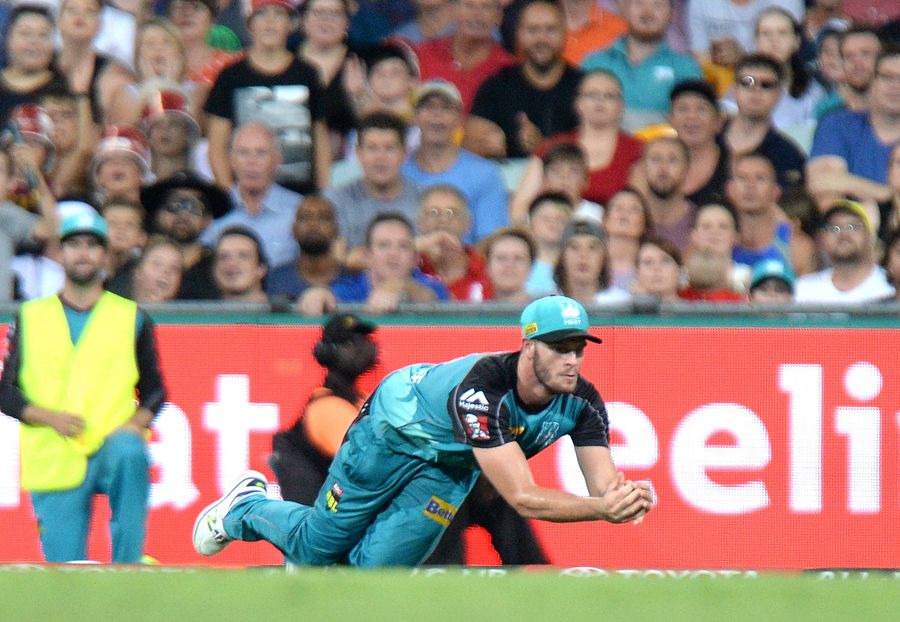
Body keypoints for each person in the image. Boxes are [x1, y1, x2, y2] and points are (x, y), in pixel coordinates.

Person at [192, 294, 656, 567]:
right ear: (529, 345)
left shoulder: (584, 403)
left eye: (579, 348)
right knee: (316, 549)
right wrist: (601, 509)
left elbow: (605, 487)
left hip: (449, 468)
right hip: (388, 436)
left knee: (375, 573)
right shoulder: (484, 389)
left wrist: (625, 497)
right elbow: (523, 497)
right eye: (559, 348)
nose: (572, 359)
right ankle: (246, 507)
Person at [0, 209, 167, 563]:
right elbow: (6, 392)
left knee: (130, 451)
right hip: (53, 453)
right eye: (74, 244)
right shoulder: (30, 316)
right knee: (66, 572)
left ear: (106, 256)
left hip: (110, 443)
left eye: (93, 245)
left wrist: (134, 425)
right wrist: (48, 417)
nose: (83, 253)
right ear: (60, 254)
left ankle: (129, 564)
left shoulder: (131, 316)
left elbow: (155, 389)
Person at [204, 0, 330, 195]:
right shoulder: (230, 76)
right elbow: (217, 147)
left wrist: (323, 194)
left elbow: (320, 139)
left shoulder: (307, 74)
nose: (270, 22)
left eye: (278, 14)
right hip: (246, 197)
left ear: (291, 24)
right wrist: (232, 196)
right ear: (249, 24)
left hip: (301, 196)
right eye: (262, 14)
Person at [270, 313, 379, 505]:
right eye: (351, 343)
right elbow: (366, 465)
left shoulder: (362, 400)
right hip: (327, 520)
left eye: (365, 340)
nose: (363, 347)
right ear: (327, 352)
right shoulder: (325, 407)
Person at [511, 70, 644, 224]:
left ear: (621, 105)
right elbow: (520, 209)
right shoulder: (552, 146)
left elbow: (639, 209)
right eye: (592, 95)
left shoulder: (637, 150)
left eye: (609, 96)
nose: (599, 102)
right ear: (577, 103)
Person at [464, 0, 582, 159]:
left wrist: (543, 148)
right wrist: (487, 145)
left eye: (551, 30)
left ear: (564, 32)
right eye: (532, 30)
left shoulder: (583, 87)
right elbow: (470, 141)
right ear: (518, 33)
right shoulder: (497, 86)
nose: (541, 39)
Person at [402, 80, 510, 244]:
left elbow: (490, 241)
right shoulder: (399, 172)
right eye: (428, 107)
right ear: (415, 116)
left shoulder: (485, 174)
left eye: (446, 108)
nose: (436, 115)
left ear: (460, 118)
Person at [581, 0, 702, 133]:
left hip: (661, 150)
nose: (647, 13)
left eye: (658, 5)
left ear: (671, 14)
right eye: (639, 3)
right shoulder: (595, 63)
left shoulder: (685, 68)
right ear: (625, 9)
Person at [807, 48, 900, 210]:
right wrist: (887, 194)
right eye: (887, 77)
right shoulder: (838, 124)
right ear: (872, 81)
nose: (895, 86)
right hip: (855, 225)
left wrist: (852, 185)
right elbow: (821, 180)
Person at [201, 123, 302, 270]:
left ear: (277, 160)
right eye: (243, 153)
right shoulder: (214, 210)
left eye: (261, 153)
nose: (251, 162)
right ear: (232, 161)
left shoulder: (298, 208)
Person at [325, 112, 421, 253]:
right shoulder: (334, 201)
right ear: (358, 153)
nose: (380, 158)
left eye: (389, 148)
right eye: (372, 148)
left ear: (405, 154)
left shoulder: (423, 200)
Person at [720, 54, 807, 193]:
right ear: (734, 89)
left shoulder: (787, 155)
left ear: (779, 94)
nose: (756, 91)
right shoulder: (707, 139)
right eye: (747, 82)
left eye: (766, 85)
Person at [141, 170, 233, 300]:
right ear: (158, 215)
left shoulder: (219, 268)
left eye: (195, 207)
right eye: (174, 205)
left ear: (208, 220)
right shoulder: (139, 264)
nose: (183, 215)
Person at [413, 0, 515, 114]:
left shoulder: (509, 68)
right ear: (453, 12)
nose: (477, 14)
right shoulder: (420, 55)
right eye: (469, 5)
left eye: (486, 7)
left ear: (498, 17)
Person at [795, 199, 896, 303]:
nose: (843, 235)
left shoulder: (891, 288)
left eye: (852, 227)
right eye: (835, 228)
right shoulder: (803, 291)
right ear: (822, 239)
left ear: (869, 237)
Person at [415, 184, 493, 302]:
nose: (443, 220)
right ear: (419, 222)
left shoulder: (487, 267)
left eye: (452, 213)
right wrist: (413, 247)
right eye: (433, 213)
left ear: (469, 224)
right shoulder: (409, 265)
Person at [266, 194, 351, 300]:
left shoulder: (352, 277)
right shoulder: (276, 277)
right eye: (305, 218)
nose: (313, 224)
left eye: (323, 218)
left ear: (336, 230)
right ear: (293, 230)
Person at [666, 79, 728, 207]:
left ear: (718, 121)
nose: (692, 116)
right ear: (670, 120)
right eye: (683, 109)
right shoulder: (654, 165)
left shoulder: (734, 167)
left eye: (702, 109)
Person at [553, 218, 630, 306]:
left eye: (592, 248)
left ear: (604, 257)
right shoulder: (548, 305)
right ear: (562, 256)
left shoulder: (621, 304)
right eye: (574, 247)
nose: (583, 255)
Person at [640, 136, 696, 254]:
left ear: (687, 169)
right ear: (643, 167)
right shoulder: (631, 217)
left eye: (673, 160)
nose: (663, 169)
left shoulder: (699, 221)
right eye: (655, 159)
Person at [212, 225, 270, 303]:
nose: (231, 263)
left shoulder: (286, 312)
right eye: (224, 257)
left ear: (261, 268)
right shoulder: (199, 313)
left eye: (243, 256)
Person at [482, 226, 536, 303]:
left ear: (530, 267)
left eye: (518, 258)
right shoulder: (472, 313)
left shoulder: (545, 312)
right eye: (501, 258)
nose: (509, 264)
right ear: (487, 266)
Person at [631, 235, 683, 302]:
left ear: (679, 270)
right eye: (648, 262)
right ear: (637, 272)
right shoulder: (620, 311)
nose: (656, 268)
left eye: (665, 261)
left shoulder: (696, 310)